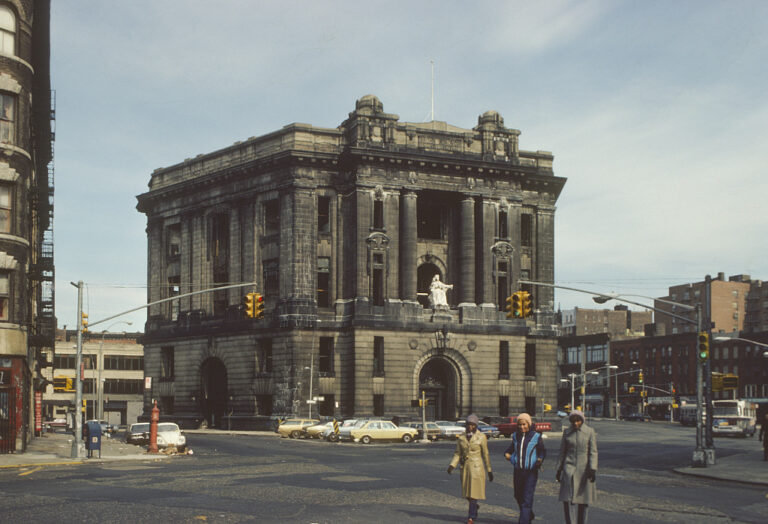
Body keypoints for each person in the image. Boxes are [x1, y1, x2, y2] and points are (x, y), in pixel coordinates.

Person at [447, 414, 493, 524]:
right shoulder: (462, 437)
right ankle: (475, 506)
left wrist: (489, 470)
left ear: (476, 425)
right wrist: (452, 465)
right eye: (468, 424)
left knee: (473, 493)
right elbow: (458, 453)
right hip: (465, 468)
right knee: (466, 493)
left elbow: (485, 454)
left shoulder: (481, 437)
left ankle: (471, 517)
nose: (470, 427)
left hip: (477, 468)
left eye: (473, 425)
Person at [555, 409, 597, 524]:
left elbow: (593, 452)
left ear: (582, 420)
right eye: (573, 421)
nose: (575, 423)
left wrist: (593, 469)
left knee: (584, 501)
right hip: (569, 470)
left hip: (585, 471)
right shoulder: (567, 432)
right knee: (568, 500)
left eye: (578, 420)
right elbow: (562, 452)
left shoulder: (590, 432)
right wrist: (559, 469)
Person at [504, 413, 545, 523]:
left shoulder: (536, 436)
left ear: (529, 424)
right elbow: (509, 451)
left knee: (527, 498)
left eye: (524, 424)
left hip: (531, 472)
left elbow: (542, 452)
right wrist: (510, 457)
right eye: (520, 425)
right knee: (518, 495)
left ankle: (524, 520)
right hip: (518, 471)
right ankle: (529, 514)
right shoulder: (515, 436)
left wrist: (540, 460)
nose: (522, 427)